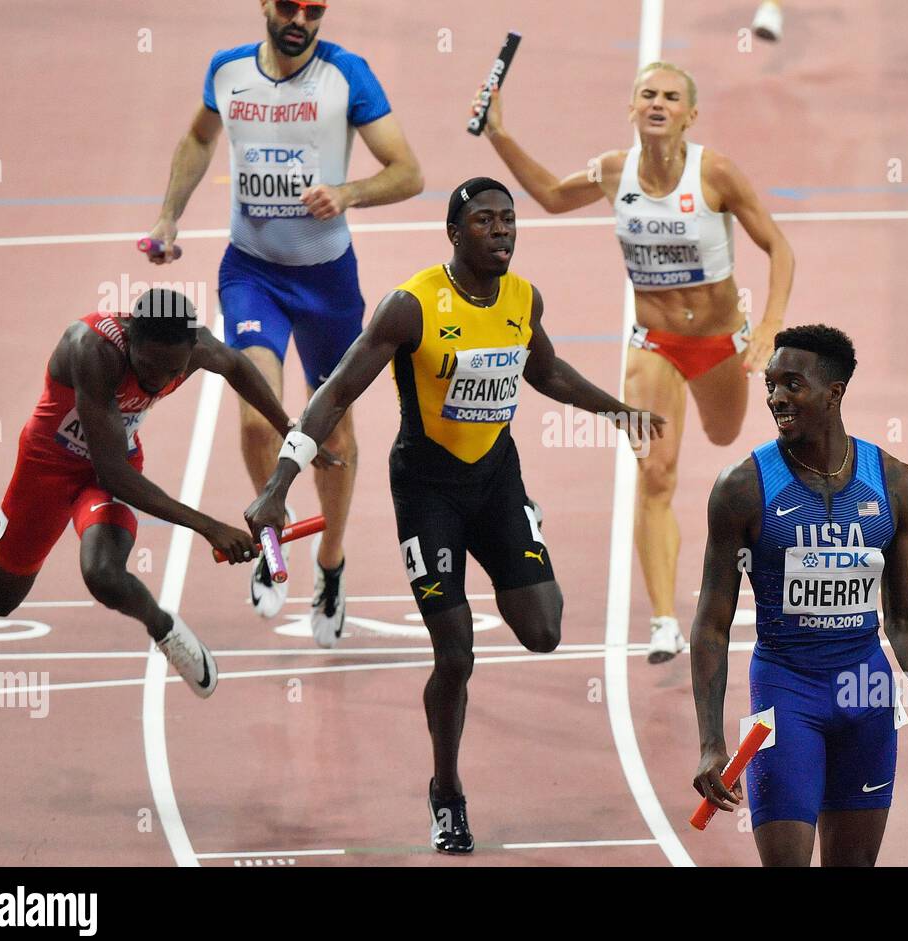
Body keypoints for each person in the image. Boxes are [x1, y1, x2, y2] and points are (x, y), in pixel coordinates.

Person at [245, 178, 664, 853]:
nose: (501, 232)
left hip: (497, 479)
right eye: (484, 221)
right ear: (453, 231)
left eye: (508, 221)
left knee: (544, 630)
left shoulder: (523, 298)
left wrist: (617, 412)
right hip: (427, 492)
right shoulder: (411, 307)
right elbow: (336, 390)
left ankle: (515, 529)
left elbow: (545, 372)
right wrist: (280, 481)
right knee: (457, 654)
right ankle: (446, 791)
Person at [480, 62, 794, 663]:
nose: (658, 103)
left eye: (671, 96)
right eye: (647, 94)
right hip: (652, 343)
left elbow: (779, 247)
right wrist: (499, 133)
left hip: (719, 342)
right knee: (656, 474)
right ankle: (663, 621)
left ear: (689, 115)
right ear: (631, 108)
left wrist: (771, 325)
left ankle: (677, 606)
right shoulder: (612, 172)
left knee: (725, 431)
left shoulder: (716, 173)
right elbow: (548, 196)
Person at [144, 0, 424, 648]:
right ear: (266, 7)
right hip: (253, 275)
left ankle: (330, 565)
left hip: (328, 282)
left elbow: (409, 172)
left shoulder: (347, 75)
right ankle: (273, 542)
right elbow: (196, 140)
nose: (301, 18)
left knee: (336, 437)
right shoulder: (228, 72)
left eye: (315, 9)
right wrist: (168, 217)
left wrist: (349, 192)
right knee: (253, 420)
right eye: (291, 6)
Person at [689, 324, 908, 866]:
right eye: (771, 385)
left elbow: (907, 620)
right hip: (785, 692)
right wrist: (709, 741)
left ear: (834, 393)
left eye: (791, 385)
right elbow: (711, 623)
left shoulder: (895, 483)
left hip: (865, 693)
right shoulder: (741, 488)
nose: (775, 398)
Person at [0, 290, 333, 698]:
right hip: (48, 468)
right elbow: (111, 472)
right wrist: (209, 527)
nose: (159, 381)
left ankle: (164, 629)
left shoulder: (194, 346)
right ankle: (4, 538)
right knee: (1, 601)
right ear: (131, 337)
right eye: (149, 367)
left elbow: (237, 366)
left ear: (191, 351)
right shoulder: (91, 349)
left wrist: (288, 428)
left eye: (174, 371)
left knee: (103, 574)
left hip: (110, 468)